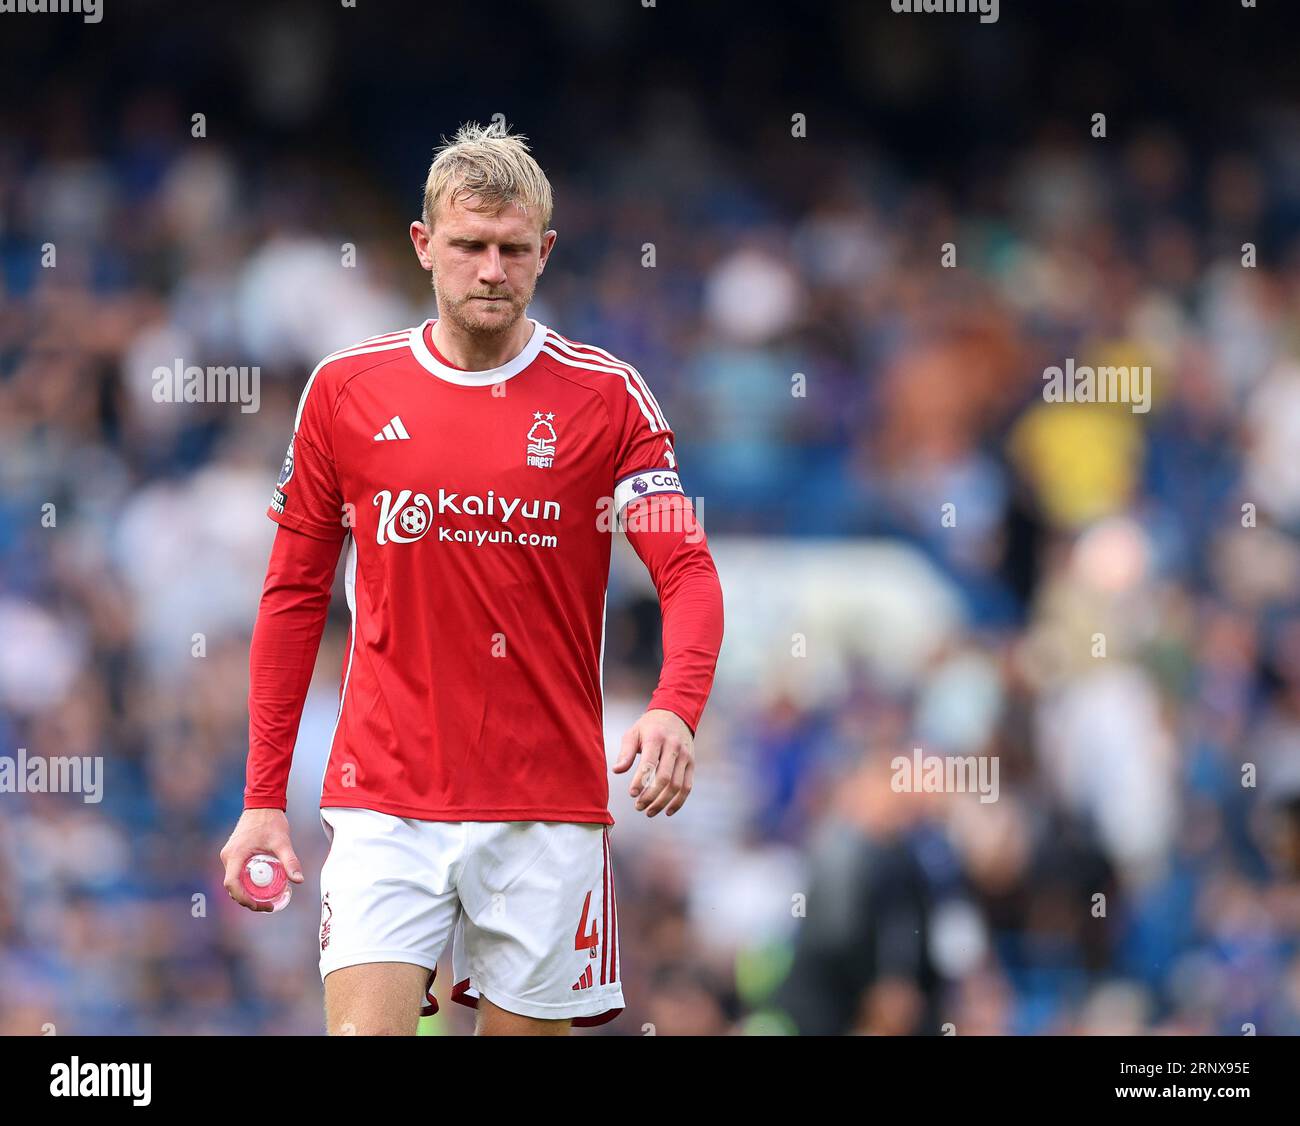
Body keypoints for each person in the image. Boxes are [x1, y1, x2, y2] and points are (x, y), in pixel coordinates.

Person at [218, 121, 725, 1036]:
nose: (491, 270)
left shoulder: (607, 398)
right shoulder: (345, 390)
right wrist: (262, 799)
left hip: (546, 811)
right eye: (468, 246)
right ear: (424, 245)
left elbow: (685, 566)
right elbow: (293, 595)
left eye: (512, 249)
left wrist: (675, 706)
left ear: (545, 253)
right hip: (385, 798)